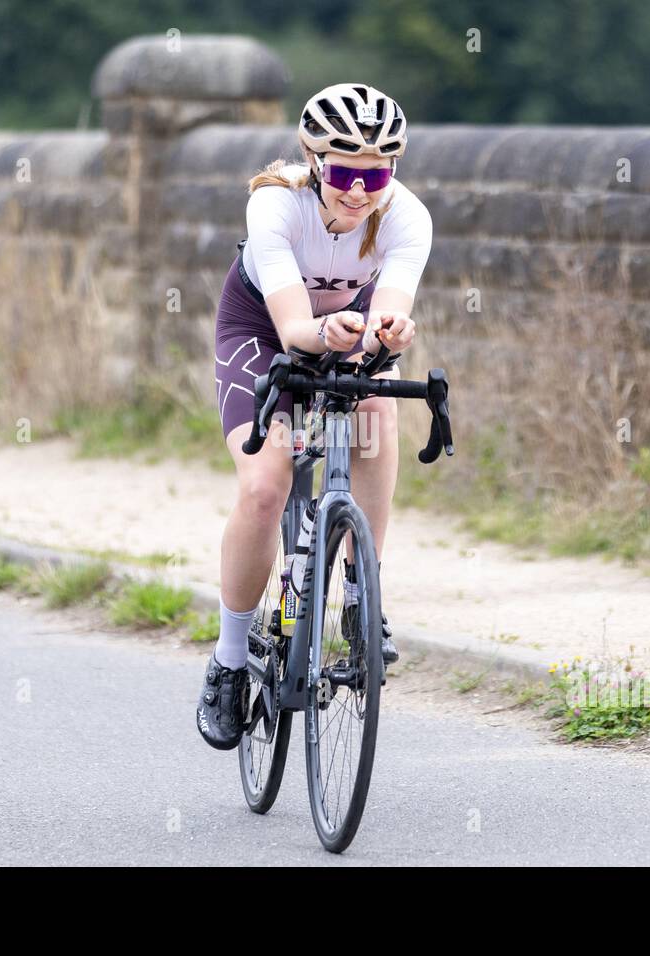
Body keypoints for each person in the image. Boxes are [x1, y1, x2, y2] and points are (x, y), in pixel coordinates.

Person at [197, 83, 433, 750]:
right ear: (313, 158)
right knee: (264, 488)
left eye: (379, 173)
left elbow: (386, 312)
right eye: (347, 171)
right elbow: (294, 324)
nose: (361, 191)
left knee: (376, 406)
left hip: (342, 330)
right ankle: (230, 661)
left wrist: (388, 334)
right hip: (262, 332)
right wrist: (327, 334)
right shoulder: (275, 203)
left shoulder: (407, 217)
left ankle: (363, 594)